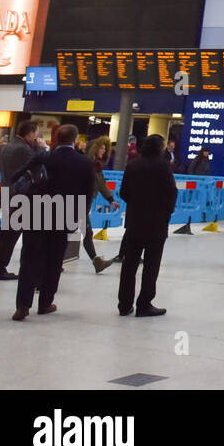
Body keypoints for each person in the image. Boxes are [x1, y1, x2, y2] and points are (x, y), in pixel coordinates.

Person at [13, 125, 94, 321]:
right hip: (63, 216)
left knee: (30, 259)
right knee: (54, 259)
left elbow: (18, 177)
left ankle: (23, 305)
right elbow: (87, 193)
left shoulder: (44, 157)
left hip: (37, 213)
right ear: (74, 140)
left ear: (57, 138)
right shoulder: (84, 162)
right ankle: (45, 302)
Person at [117, 134, 178, 317]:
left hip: (135, 222)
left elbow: (124, 192)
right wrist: (166, 212)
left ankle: (124, 304)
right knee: (151, 266)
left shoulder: (133, 164)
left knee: (129, 265)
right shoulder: (163, 166)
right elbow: (171, 192)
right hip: (156, 224)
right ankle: (144, 303)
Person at [0, 120, 39, 281]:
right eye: (36, 132)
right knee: (10, 235)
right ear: (30, 132)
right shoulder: (24, 150)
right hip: (18, 197)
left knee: (4, 233)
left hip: (4, 193)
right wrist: (39, 148)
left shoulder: (6, 147)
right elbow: (36, 166)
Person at [82, 136, 119, 274]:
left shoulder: (97, 166)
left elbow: (102, 184)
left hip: (85, 201)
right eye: (101, 148)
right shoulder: (87, 163)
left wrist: (111, 200)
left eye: (105, 148)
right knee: (86, 232)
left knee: (77, 232)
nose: (103, 151)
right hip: (79, 201)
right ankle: (97, 262)